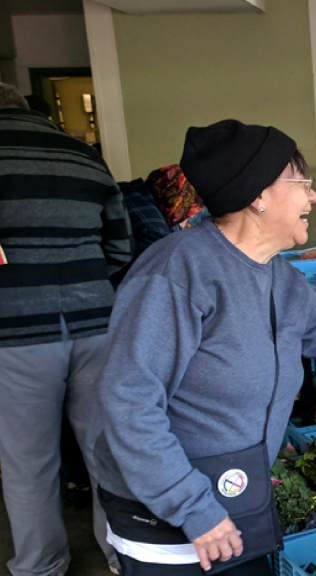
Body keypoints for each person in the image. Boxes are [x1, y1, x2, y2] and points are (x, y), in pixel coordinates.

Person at [91, 119, 316, 575]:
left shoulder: (278, 276)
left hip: (236, 500)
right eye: (302, 182)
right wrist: (193, 507)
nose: (312, 196)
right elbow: (129, 402)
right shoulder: (177, 273)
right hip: (169, 519)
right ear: (258, 196)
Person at [0, 82, 132, 576]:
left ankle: (40, 565)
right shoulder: (84, 156)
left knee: (28, 462)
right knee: (106, 450)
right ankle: (121, 551)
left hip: (15, 332)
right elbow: (121, 246)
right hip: (97, 321)